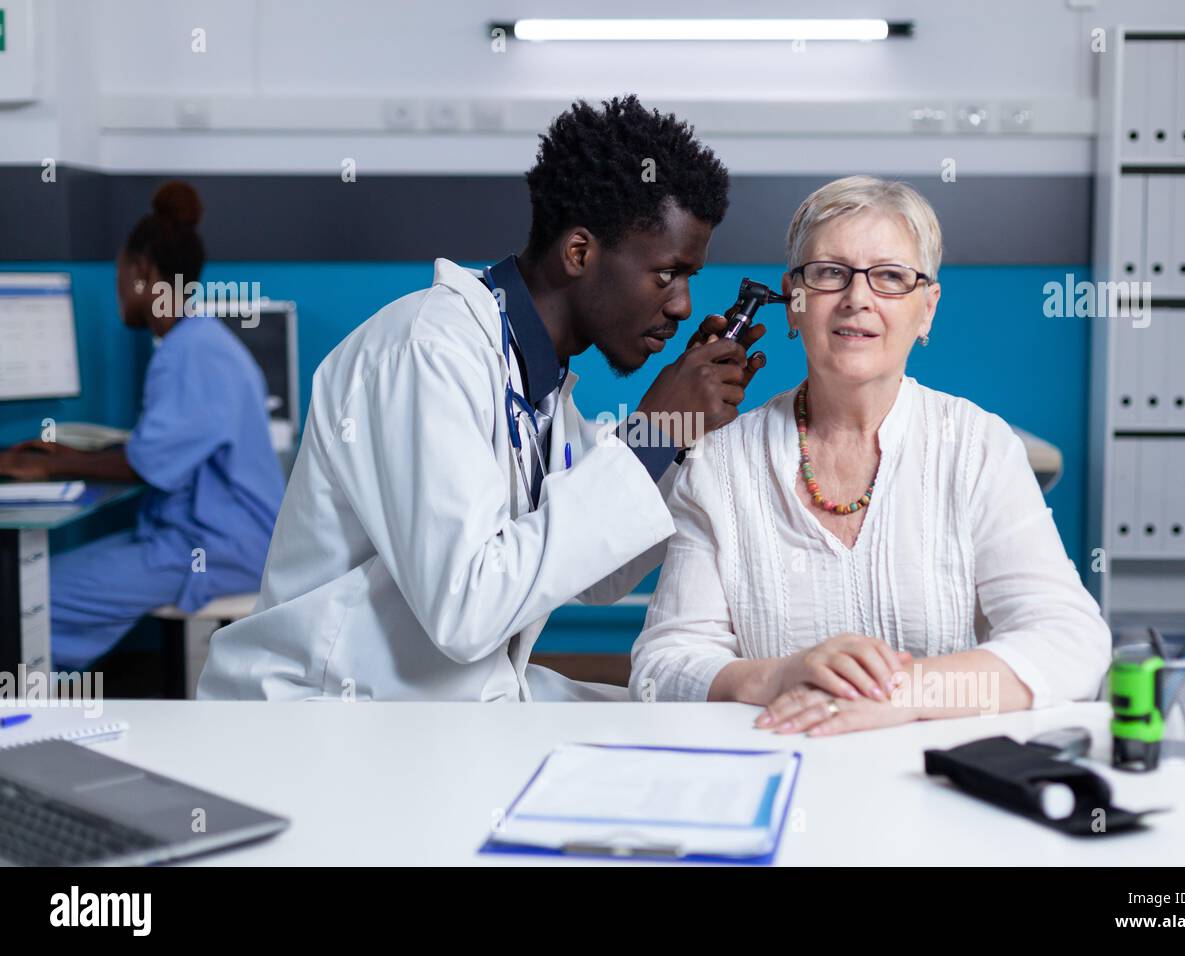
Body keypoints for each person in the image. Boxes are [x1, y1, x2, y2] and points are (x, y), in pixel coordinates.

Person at [197, 95, 767, 702]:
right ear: (579, 253)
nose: (682, 305)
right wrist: (653, 434)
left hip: (432, 703)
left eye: (689, 279)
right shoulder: (428, 353)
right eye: (666, 273)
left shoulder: (536, 383)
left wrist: (672, 442)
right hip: (329, 714)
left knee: (666, 720)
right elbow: (467, 610)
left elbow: (594, 574)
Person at [630, 175, 1111, 734]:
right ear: (794, 303)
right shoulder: (718, 464)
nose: (858, 298)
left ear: (927, 309)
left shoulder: (979, 448)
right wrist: (781, 676)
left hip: (936, 785)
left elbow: (1070, 639)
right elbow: (659, 669)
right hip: (776, 767)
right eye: (830, 273)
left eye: (890, 277)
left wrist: (904, 693)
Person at [0, 181, 286, 670]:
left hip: (213, 548)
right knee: (37, 583)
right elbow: (162, 451)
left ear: (142, 272)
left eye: (119, 274)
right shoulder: (202, 340)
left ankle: (25, 717)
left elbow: (148, 466)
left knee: (24, 598)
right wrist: (66, 459)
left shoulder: (188, 352)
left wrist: (46, 466)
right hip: (213, 538)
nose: (118, 290)